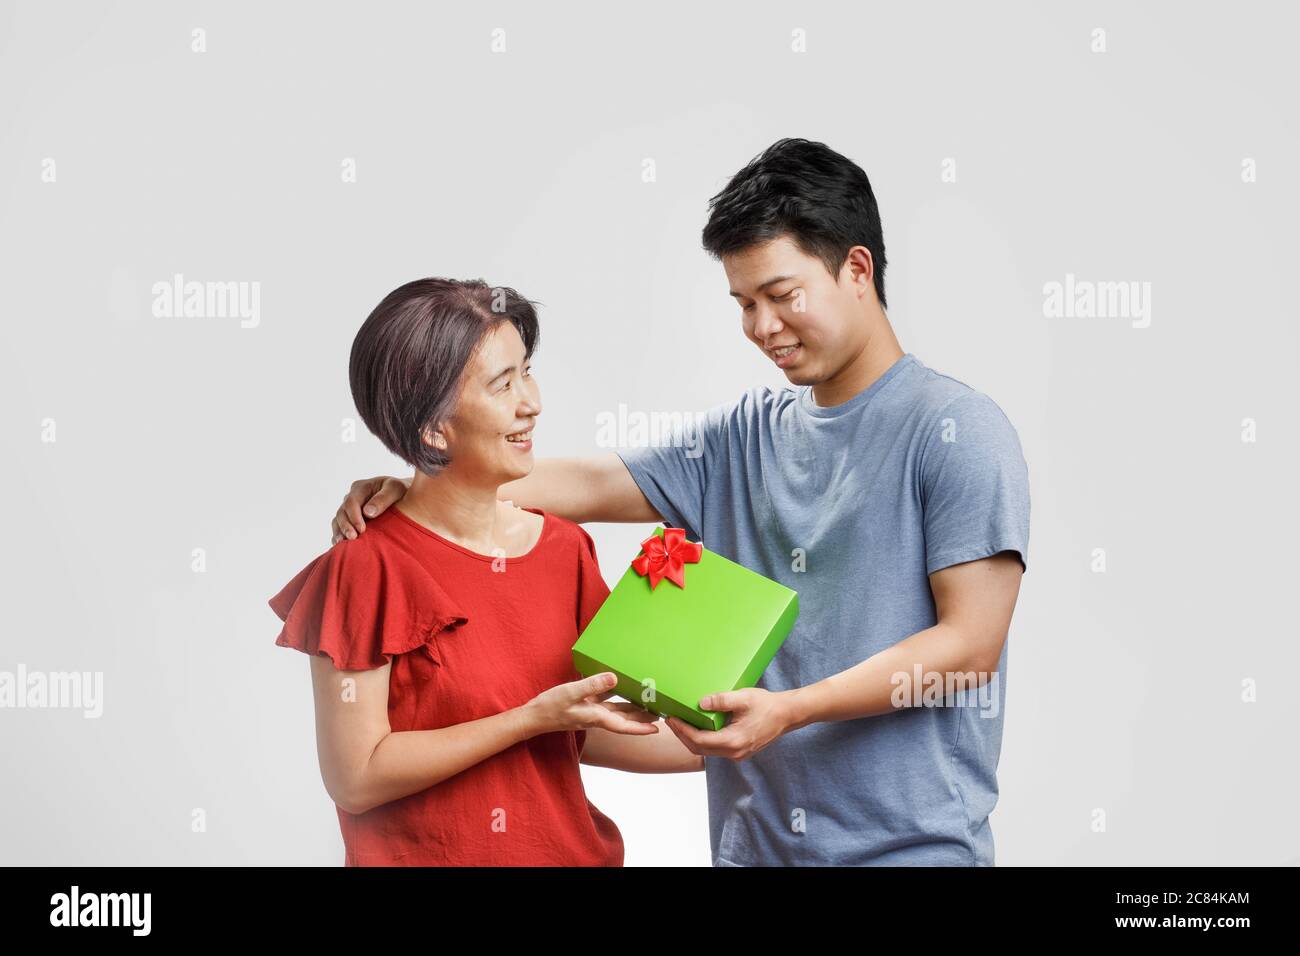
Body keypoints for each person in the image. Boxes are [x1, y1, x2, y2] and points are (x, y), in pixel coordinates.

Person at [333, 139, 1031, 866]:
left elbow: (970, 646)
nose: (762, 327)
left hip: (909, 850)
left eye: (782, 296)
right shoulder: (744, 438)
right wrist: (423, 480)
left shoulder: (955, 432)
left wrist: (791, 709)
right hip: (752, 850)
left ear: (856, 269)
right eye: (744, 303)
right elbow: (585, 484)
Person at [269, 278, 701, 867]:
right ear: (432, 430)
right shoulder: (367, 565)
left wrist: (734, 739)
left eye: (526, 370)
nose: (532, 401)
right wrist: (526, 719)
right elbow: (357, 775)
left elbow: (580, 727)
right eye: (504, 385)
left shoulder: (564, 548)